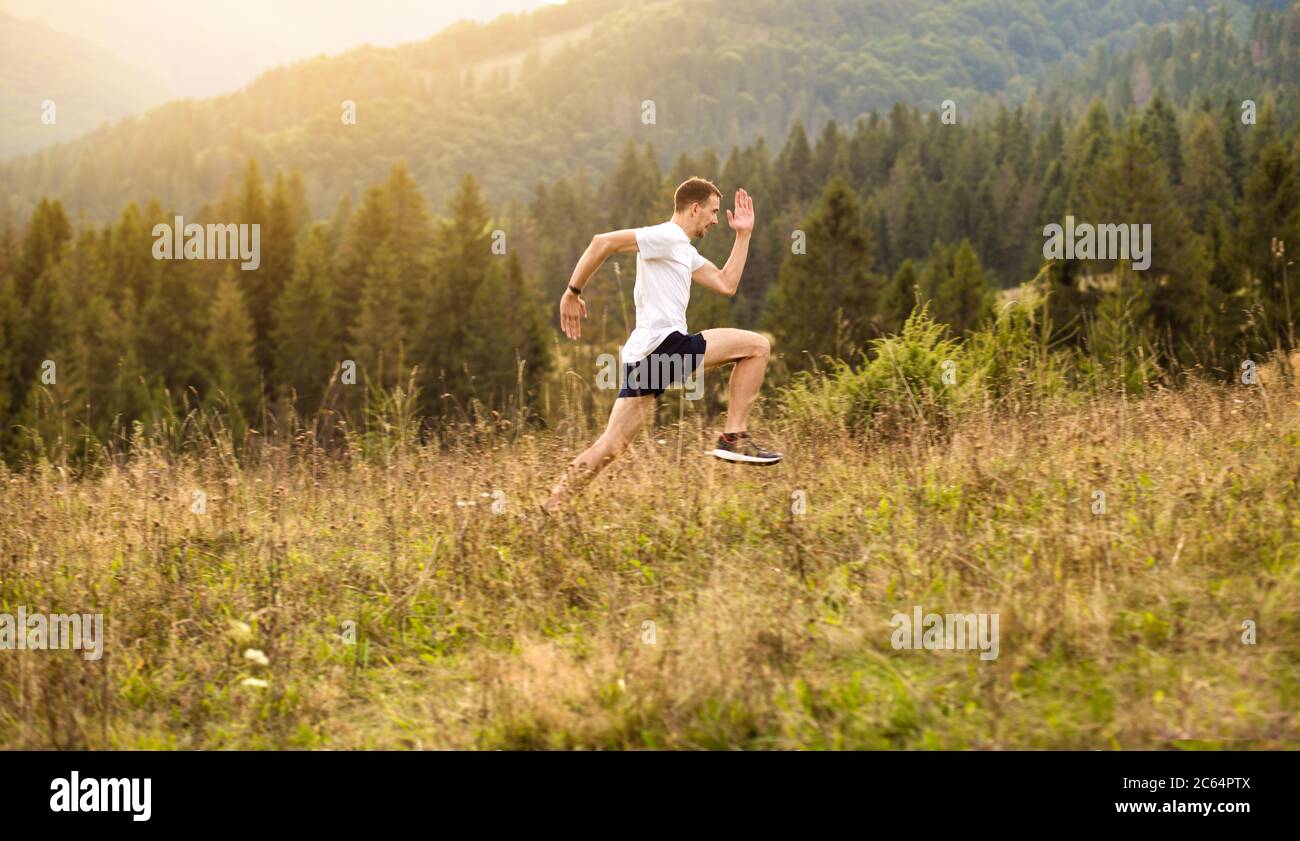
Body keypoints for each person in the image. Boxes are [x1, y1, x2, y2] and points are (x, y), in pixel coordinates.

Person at [542, 177, 781, 515]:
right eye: (713, 212)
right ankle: (733, 437)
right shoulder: (665, 236)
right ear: (694, 208)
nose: (715, 220)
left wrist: (744, 234)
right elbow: (602, 242)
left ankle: (551, 507)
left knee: (613, 445)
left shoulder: (682, 249)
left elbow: (726, 283)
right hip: (664, 347)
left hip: (644, 356)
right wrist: (572, 292)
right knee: (757, 347)